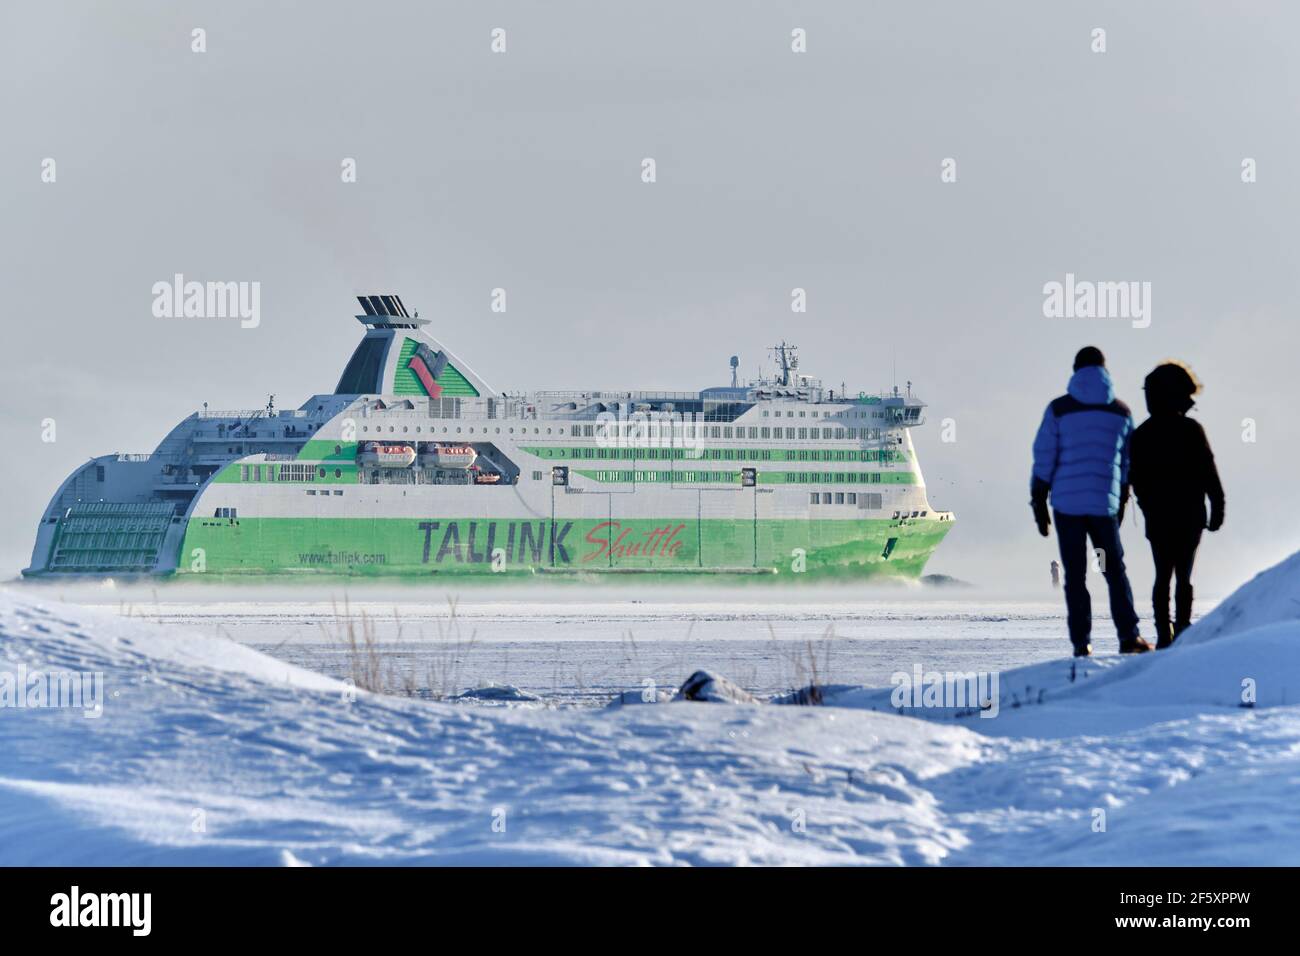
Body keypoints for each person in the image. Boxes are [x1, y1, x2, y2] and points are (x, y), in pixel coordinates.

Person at [1031, 346, 1152, 657]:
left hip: (1067, 507)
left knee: (1076, 575)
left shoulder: (1058, 409)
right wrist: (1122, 500)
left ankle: (1081, 644)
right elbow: (1128, 463)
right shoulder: (1122, 412)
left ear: (1075, 371)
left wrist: (1038, 501)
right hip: (1103, 506)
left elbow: (1044, 458)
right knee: (1114, 571)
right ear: (1105, 370)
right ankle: (1129, 636)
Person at [1129, 362, 1225, 648]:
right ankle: (1182, 629)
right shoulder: (1192, 430)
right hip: (1189, 516)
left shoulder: (1142, 434)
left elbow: (1135, 478)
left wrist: (1146, 505)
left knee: (1163, 575)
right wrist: (1218, 505)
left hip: (1159, 518)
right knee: (1183, 575)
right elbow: (1209, 472)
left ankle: (1163, 634)